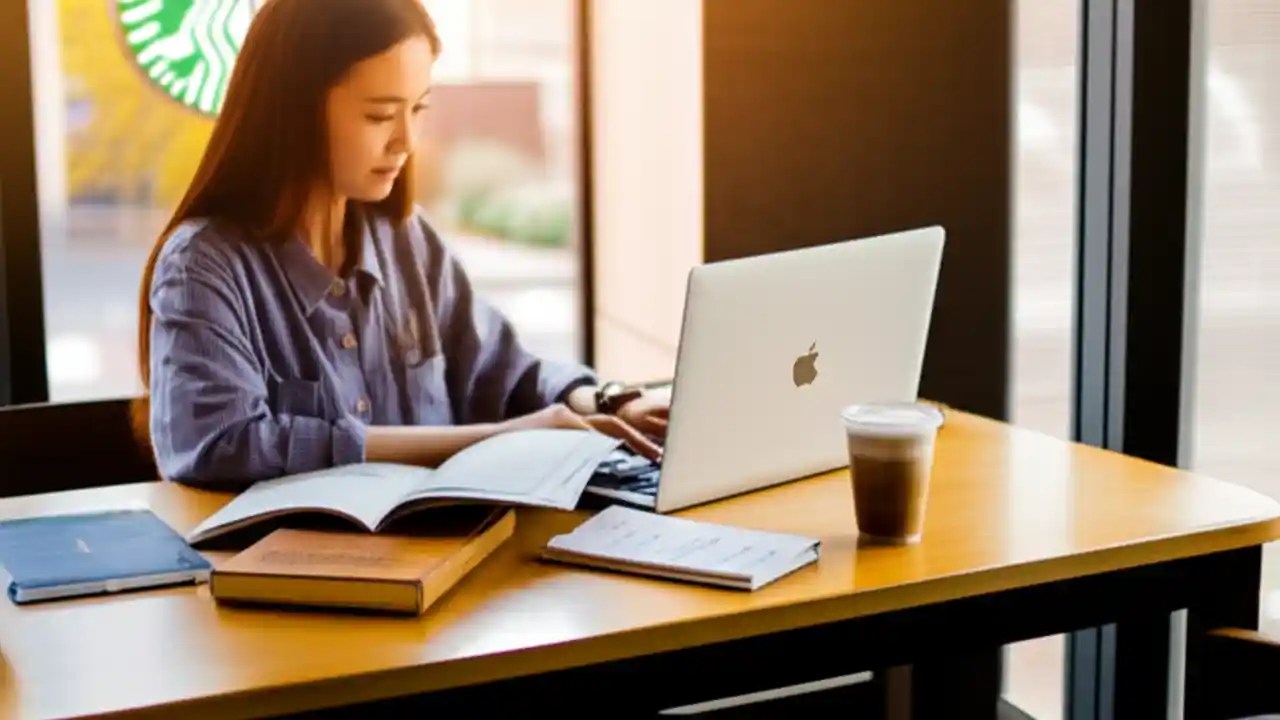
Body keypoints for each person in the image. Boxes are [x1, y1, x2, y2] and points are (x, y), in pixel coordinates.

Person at [134, 0, 667, 488]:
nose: (406, 142)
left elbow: (502, 373)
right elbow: (222, 445)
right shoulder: (202, 266)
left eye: (418, 111)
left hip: (445, 567)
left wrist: (605, 402)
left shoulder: (407, 239)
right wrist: (493, 442)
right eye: (380, 116)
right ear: (293, 110)